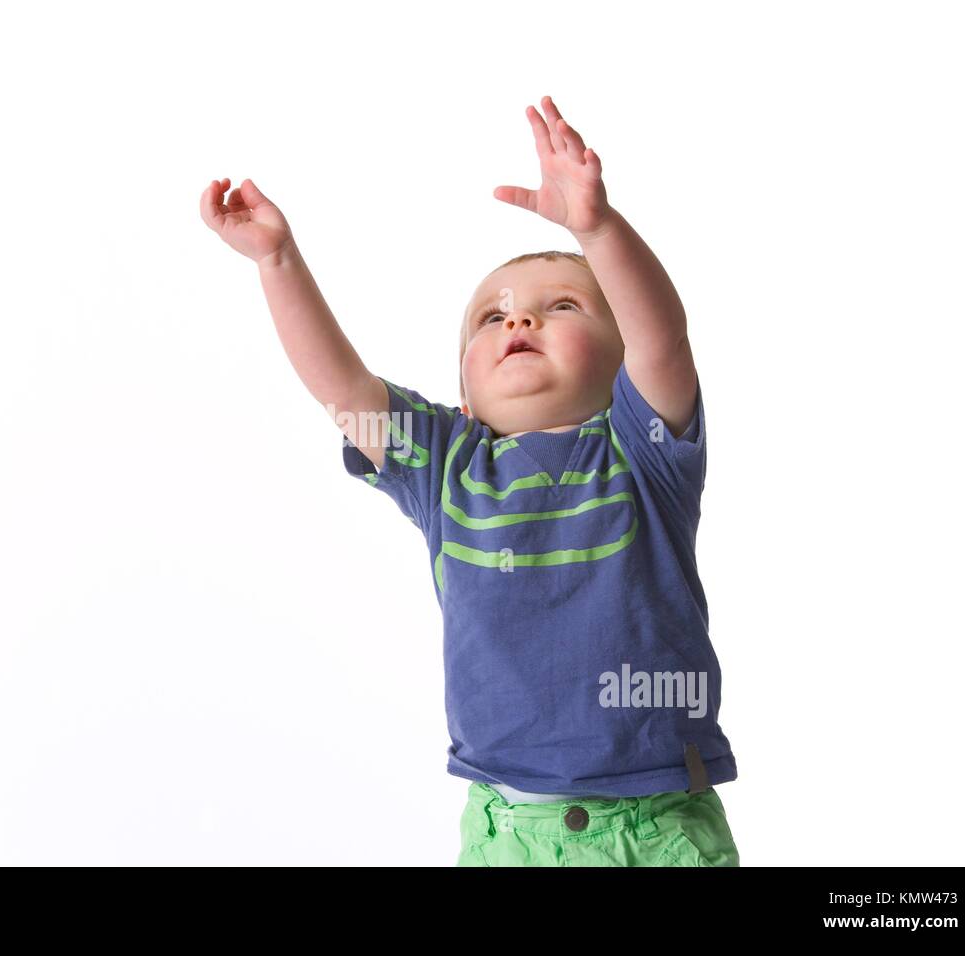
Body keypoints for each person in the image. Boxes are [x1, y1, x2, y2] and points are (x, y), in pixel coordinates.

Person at [201, 95, 739, 866]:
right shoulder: (444, 467)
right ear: (463, 392)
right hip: (507, 830)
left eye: (562, 307)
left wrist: (597, 229)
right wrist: (277, 262)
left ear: (622, 367)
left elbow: (663, 338)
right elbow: (345, 391)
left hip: (652, 826)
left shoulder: (644, 451)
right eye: (493, 318)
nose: (519, 323)